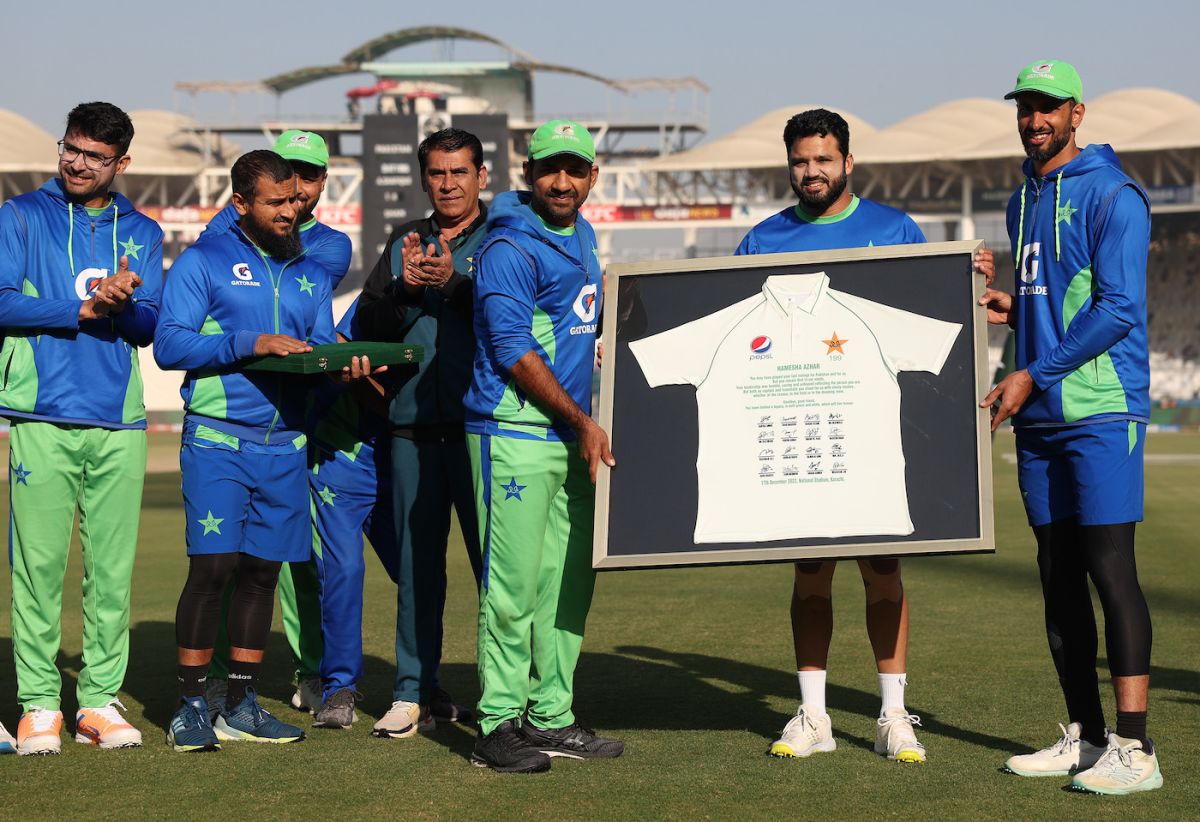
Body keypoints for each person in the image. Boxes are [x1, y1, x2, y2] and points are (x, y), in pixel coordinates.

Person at [735, 108, 994, 764]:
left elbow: (932, 314)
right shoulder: (762, 240)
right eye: (800, 161)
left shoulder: (895, 229)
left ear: (848, 162)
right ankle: (814, 717)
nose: (811, 171)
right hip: (804, 438)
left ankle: (893, 714)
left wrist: (971, 280)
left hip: (878, 440)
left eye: (823, 159)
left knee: (884, 575)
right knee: (811, 576)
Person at [980, 59, 1161, 795]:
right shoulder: (1022, 195)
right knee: (1057, 579)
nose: (1034, 119)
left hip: (1100, 409)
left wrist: (1031, 371)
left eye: (1048, 107)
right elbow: (1054, 300)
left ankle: (1136, 749)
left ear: (1078, 112)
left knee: (1110, 570)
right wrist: (1008, 307)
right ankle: (1085, 737)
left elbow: (1117, 308)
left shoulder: (1116, 194)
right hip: (1042, 417)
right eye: (1026, 107)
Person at [154, 150, 362, 752]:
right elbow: (169, 344)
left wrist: (342, 368)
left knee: (261, 574)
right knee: (213, 568)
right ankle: (193, 703)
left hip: (286, 446)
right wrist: (254, 343)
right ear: (241, 203)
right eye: (276, 202)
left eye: (296, 201)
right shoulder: (203, 261)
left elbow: (318, 350)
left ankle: (242, 704)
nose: (291, 213)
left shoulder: (310, 272)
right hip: (219, 438)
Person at [0, 102, 162, 755]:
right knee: (37, 567)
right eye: (71, 148)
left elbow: (150, 327)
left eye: (94, 155)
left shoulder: (142, 229)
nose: (76, 162)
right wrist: (81, 307)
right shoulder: (20, 216)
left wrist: (121, 308)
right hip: (41, 415)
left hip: (118, 419)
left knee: (111, 569)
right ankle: (40, 705)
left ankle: (97, 700)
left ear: (120, 163)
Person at [464, 120, 621, 773]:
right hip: (515, 434)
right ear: (528, 174)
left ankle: (552, 715)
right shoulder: (508, 245)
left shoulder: (582, 233)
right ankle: (498, 723)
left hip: (570, 437)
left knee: (566, 585)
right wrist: (581, 421)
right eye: (550, 169)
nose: (562, 181)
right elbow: (511, 349)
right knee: (511, 590)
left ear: (592, 176)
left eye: (574, 169)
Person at [203, 129, 353, 717]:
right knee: (226, 560)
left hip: (304, 420)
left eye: (311, 178)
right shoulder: (229, 228)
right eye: (287, 180)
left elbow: (289, 288)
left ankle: (310, 672)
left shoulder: (332, 246)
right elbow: (216, 267)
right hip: (237, 417)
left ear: (321, 183)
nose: (299, 192)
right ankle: (220, 678)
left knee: (300, 562)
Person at [349, 127, 491, 736]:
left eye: (460, 171)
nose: (449, 183)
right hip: (410, 428)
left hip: (484, 430)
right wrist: (408, 286)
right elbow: (367, 322)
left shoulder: (505, 237)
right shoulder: (405, 240)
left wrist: (452, 286)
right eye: (437, 173)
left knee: (499, 571)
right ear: (424, 177)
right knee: (415, 571)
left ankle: (511, 697)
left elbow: (507, 315)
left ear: (482, 175)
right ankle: (412, 694)